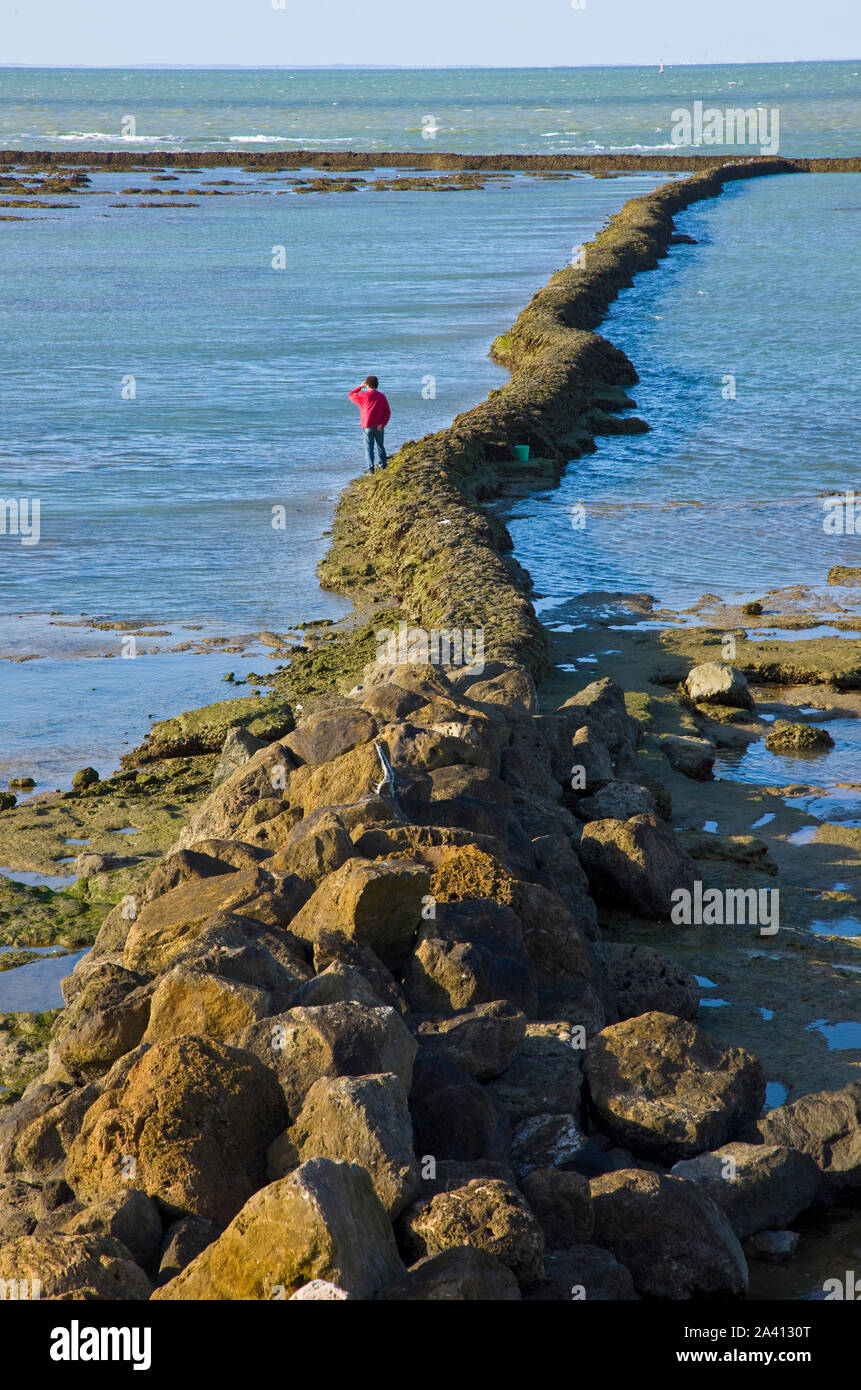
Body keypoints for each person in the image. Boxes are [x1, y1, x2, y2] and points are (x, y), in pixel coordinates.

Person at [348, 375, 391, 474]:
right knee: (380, 446)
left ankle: (370, 469)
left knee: (369, 448)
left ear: (367, 385)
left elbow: (350, 394)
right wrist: (383, 424)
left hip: (367, 425)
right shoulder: (382, 396)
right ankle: (382, 465)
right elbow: (388, 412)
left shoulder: (363, 396)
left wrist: (360, 387)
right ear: (377, 385)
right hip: (379, 426)